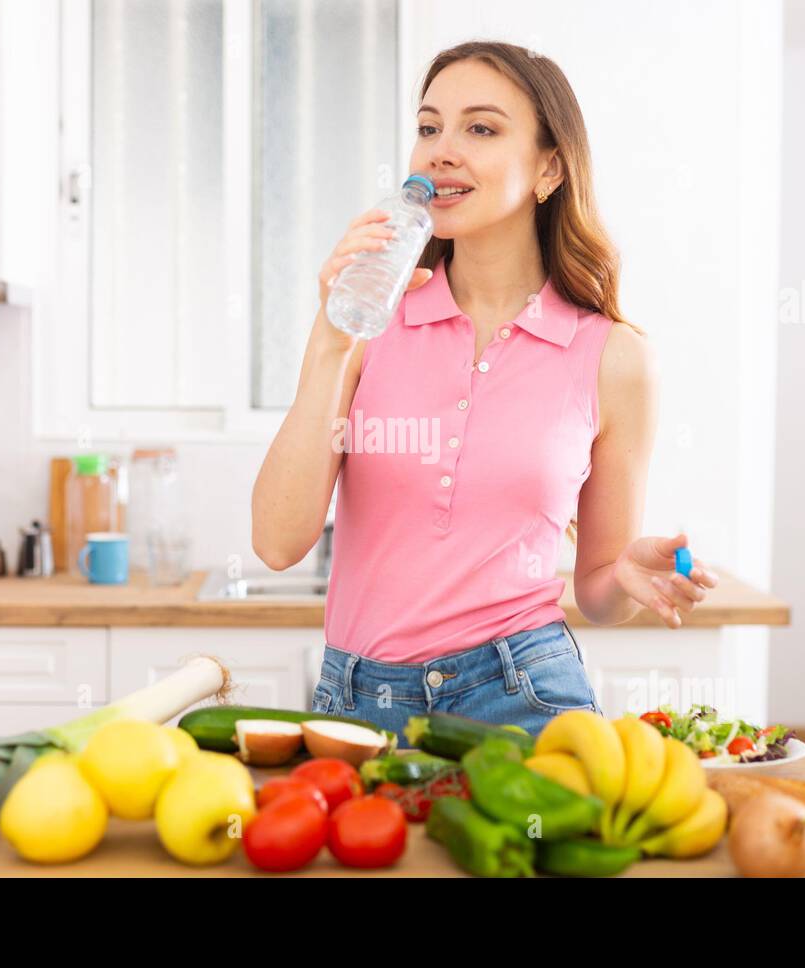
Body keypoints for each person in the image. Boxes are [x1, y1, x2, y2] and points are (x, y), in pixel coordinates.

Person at [252, 40, 718, 740]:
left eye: (481, 128)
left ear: (550, 168)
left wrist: (621, 572)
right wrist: (328, 338)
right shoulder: (366, 322)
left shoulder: (614, 358)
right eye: (429, 126)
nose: (441, 150)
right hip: (358, 703)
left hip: (522, 691)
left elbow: (594, 590)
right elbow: (276, 542)